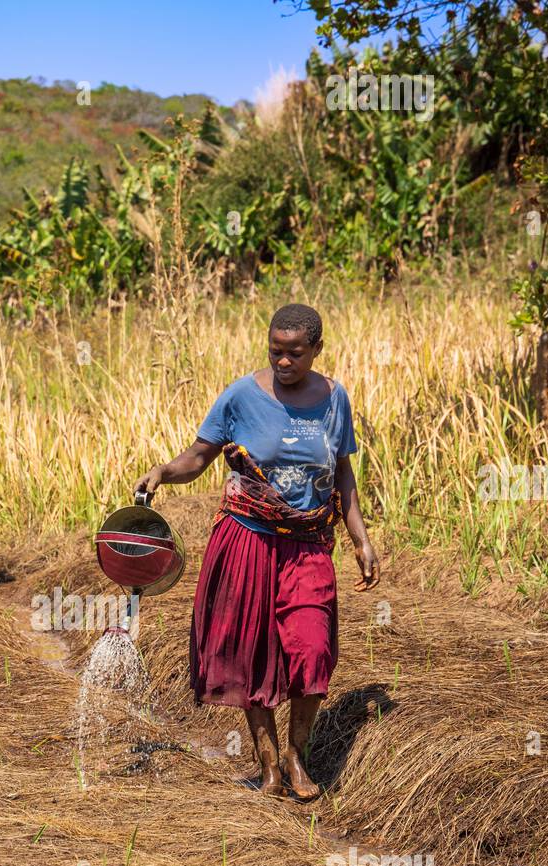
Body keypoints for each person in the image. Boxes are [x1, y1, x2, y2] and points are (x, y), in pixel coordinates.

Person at [136, 303, 379, 799]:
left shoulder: (335, 400)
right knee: (252, 653)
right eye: (276, 351)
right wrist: (162, 471)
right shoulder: (241, 396)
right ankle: (268, 763)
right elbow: (199, 457)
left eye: (295, 353)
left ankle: (297, 755)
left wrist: (361, 538)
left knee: (313, 650)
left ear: (317, 349)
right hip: (247, 538)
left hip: (308, 545)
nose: (284, 362)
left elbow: (343, 473)